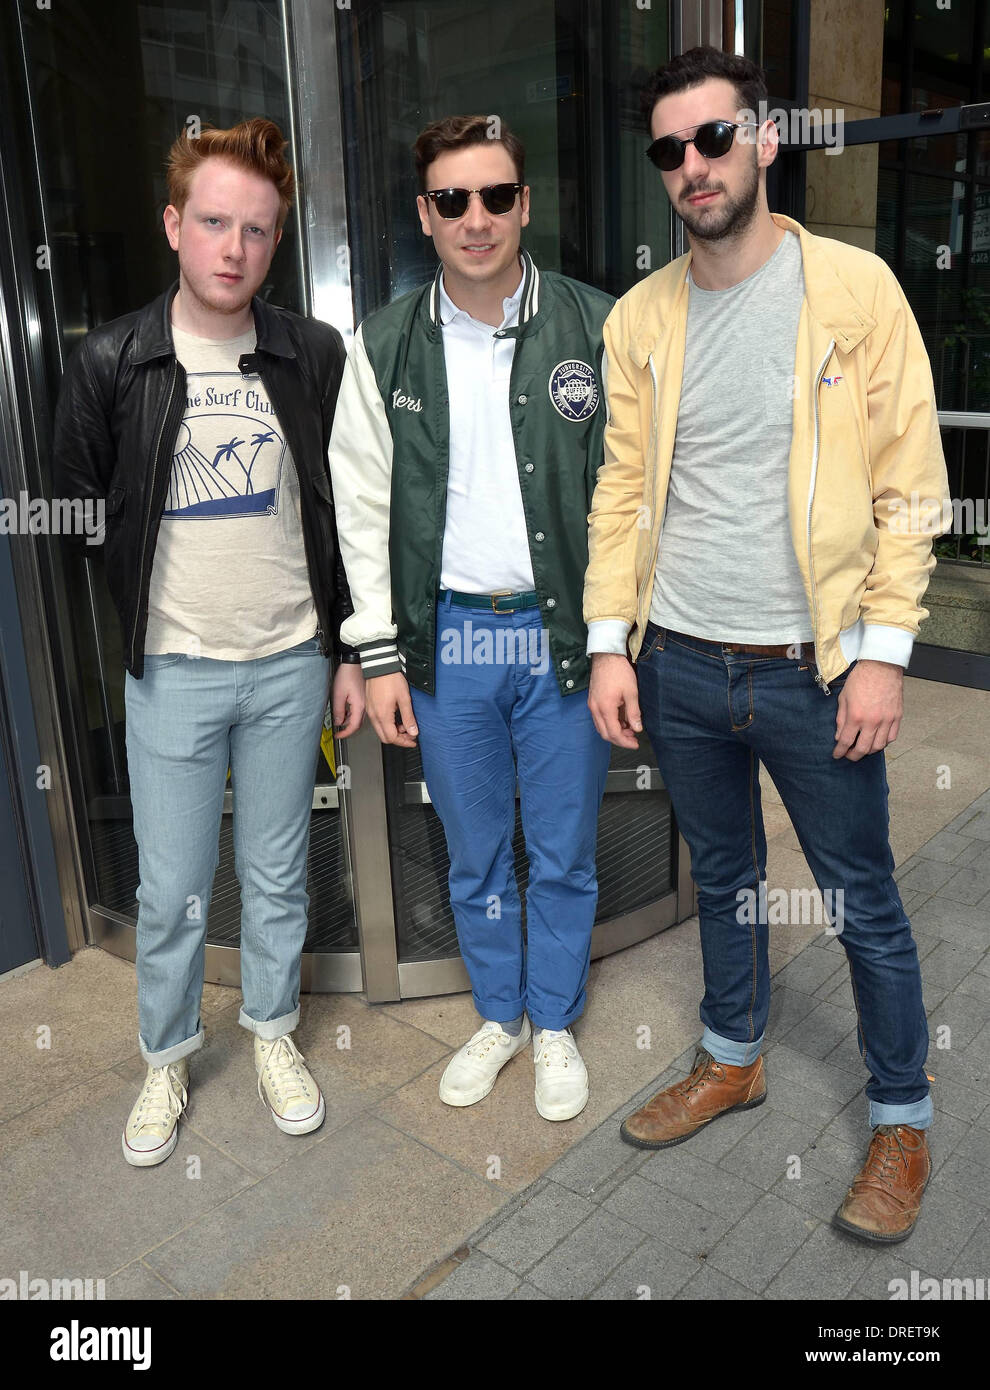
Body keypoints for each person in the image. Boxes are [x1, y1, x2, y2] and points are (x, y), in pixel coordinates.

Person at [584, 47, 950, 1242]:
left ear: (766, 139)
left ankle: (901, 1116)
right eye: (669, 151)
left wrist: (886, 648)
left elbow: (909, 481)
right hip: (680, 656)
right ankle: (732, 1056)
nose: (693, 167)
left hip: (815, 665)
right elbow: (624, 487)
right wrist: (609, 642)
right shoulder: (642, 316)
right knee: (728, 883)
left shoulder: (854, 288)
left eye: (713, 139)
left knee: (862, 900)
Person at [52, 118, 365, 1166]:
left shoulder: (311, 354)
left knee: (277, 873)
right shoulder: (112, 361)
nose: (236, 247)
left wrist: (349, 649)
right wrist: (142, 631)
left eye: (260, 230)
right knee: (174, 882)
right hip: (177, 672)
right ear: (175, 225)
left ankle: (272, 1033)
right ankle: (168, 1053)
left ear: (276, 245)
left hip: (290, 663)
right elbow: (80, 510)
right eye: (217, 223)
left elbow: (347, 510)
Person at [328, 115, 613, 1120]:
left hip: (562, 635)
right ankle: (501, 1013)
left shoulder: (596, 325)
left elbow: (631, 496)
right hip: (447, 641)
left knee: (569, 846)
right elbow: (360, 507)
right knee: (479, 849)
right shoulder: (385, 344)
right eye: (454, 200)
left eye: (497, 196)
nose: (477, 218)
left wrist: (619, 636)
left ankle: (558, 1020)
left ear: (525, 205)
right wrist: (377, 654)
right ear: (426, 214)